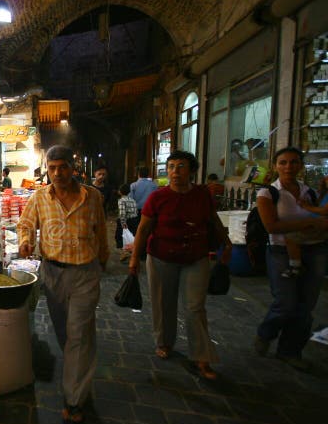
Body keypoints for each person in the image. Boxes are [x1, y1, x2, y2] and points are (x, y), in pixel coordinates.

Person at [17, 146, 108, 424]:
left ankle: (74, 399)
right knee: (66, 336)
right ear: (47, 168)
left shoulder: (92, 197)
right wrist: (25, 240)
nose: (57, 173)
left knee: (78, 334)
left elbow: (101, 232)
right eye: (52, 167)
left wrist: (101, 264)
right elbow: (25, 223)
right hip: (53, 275)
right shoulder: (40, 197)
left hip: (84, 274)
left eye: (63, 167)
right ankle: (79, 378)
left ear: (73, 167)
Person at [129, 150, 232, 380]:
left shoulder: (202, 195)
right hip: (161, 258)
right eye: (172, 166)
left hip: (195, 257)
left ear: (192, 171)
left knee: (195, 307)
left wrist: (226, 243)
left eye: (181, 166)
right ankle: (164, 341)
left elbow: (212, 219)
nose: (175, 171)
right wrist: (135, 258)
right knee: (164, 303)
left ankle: (201, 357)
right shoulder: (158, 197)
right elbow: (144, 229)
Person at [254, 148, 328, 371]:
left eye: (294, 162)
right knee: (286, 302)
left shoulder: (310, 192)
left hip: (313, 250)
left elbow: (321, 215)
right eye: (283, 162)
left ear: (301, 165)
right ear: (275, 165)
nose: (288, 167)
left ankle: (290, 351)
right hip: (280, 251)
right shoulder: (268, 193)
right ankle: (266, 333)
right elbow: (271, 226)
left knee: (305, 306)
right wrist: (309, 224)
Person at [115, 184, 139, 261]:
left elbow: (122, 213)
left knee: (120, 237)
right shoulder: (133, 200)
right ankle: (129, 252)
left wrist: (123, 224)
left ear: (120, 192)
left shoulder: (121, 201)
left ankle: (125, 253)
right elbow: (136, 211)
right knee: (131, 237)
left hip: (126, 221)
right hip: (134, 220)